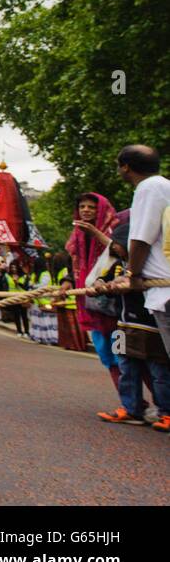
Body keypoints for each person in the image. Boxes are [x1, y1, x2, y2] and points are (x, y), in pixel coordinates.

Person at [93, 212, 170, 431]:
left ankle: (166, 412)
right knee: (124, 365)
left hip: (149, 326)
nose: (116, 248)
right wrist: (101, 283)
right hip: (122, 326)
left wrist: (129, 281)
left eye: (120, 243)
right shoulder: (117, 265)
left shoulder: (150, 266)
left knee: (159, 371)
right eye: (115, 243)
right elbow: (104, 282)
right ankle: (131, 408)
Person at [115, 145, 170, 360]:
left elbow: (141, 238)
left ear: (126, 168)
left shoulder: (148, 188)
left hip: (165, 293)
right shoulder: (164, 185)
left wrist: (132, 274)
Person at [66, 193, 119, 379]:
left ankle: (138, 404)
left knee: (123, 355)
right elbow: (76, 265)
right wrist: (67, 281)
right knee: (106, 354)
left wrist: (96, 234)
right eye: (82, 207)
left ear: (101, 210)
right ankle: (129, 404)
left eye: (91, 207)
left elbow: (121, 253)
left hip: (116, 307)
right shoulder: (77, 235)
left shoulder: (116, 228)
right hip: (90, 304)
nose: (86, 210)